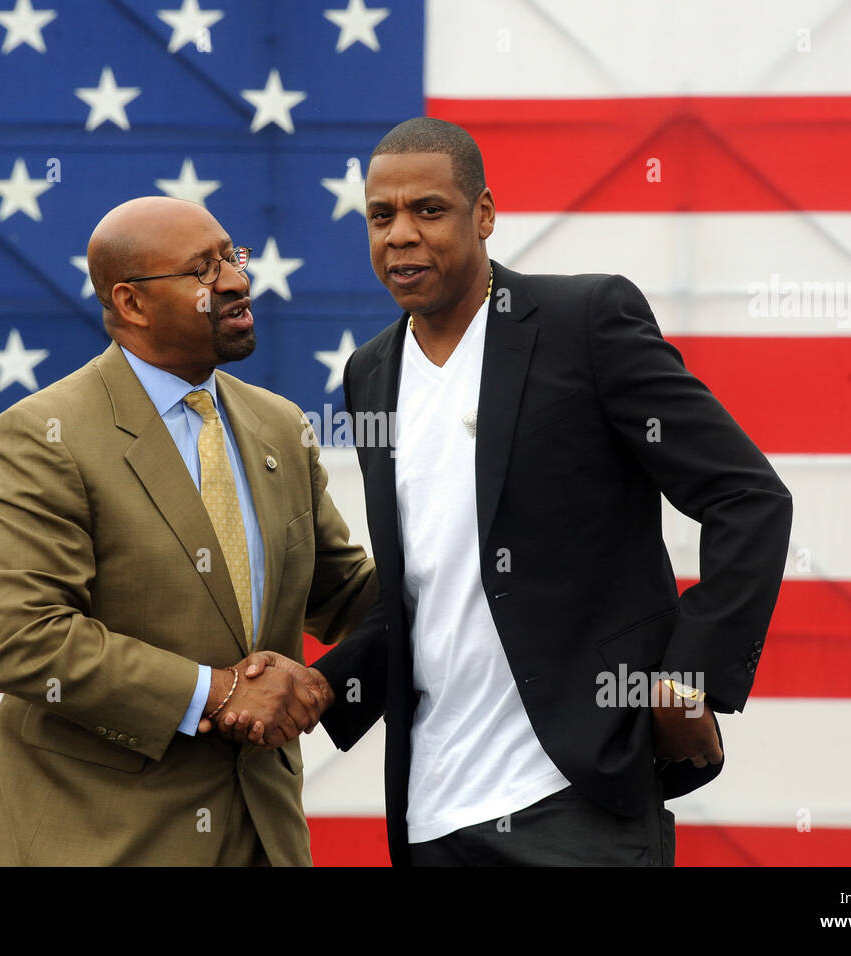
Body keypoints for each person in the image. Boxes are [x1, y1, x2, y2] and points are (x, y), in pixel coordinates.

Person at [229, 117, 793, 866]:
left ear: (484, 214)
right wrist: (323, 686)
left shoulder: (585, 322)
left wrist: (686, 680)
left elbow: (748, 497)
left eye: (428, 210)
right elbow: (422, 590)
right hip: (433, 814)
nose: (400, 234)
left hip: (578, 801)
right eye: (381, 215)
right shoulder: (370, 376)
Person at [0, 196, 372, 866]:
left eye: (231, 256)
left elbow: (349, 593)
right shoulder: (44, 437)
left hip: (265, 839)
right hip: (107, 844)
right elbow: (20, 637)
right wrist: (219, 690)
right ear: (130, 303)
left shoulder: (278, 427)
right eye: (202, 271)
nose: (237, 280)